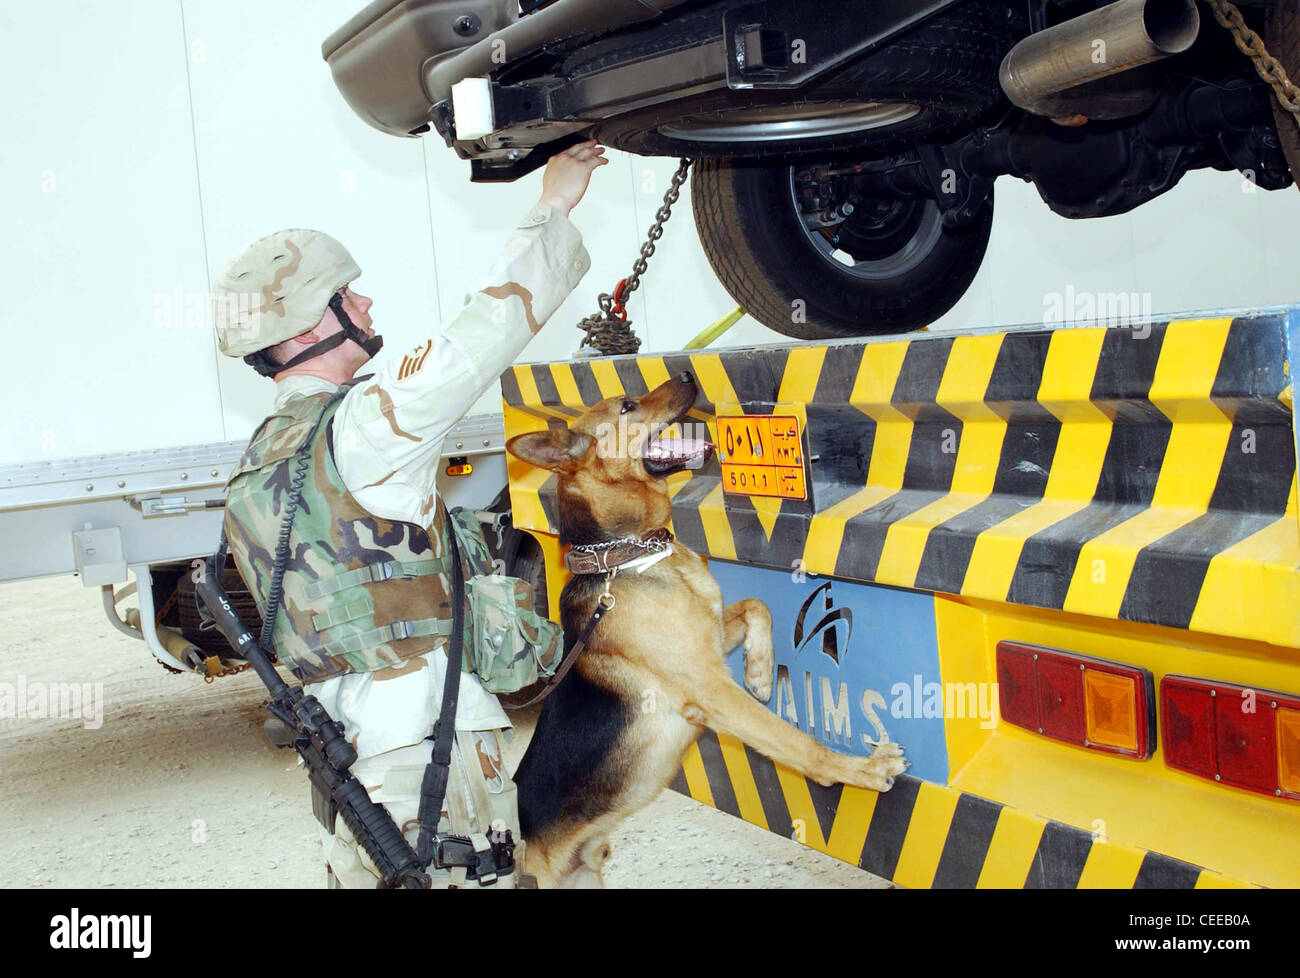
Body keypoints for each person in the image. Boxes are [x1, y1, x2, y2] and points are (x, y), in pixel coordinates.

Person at [210, 139, 607, 887]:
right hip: (430, 752)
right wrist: (553, 205)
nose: (364, 305)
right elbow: (482, 336)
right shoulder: (360, 431)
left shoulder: (264, 457)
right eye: (344, 297)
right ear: (303, 331)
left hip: (355, 764)